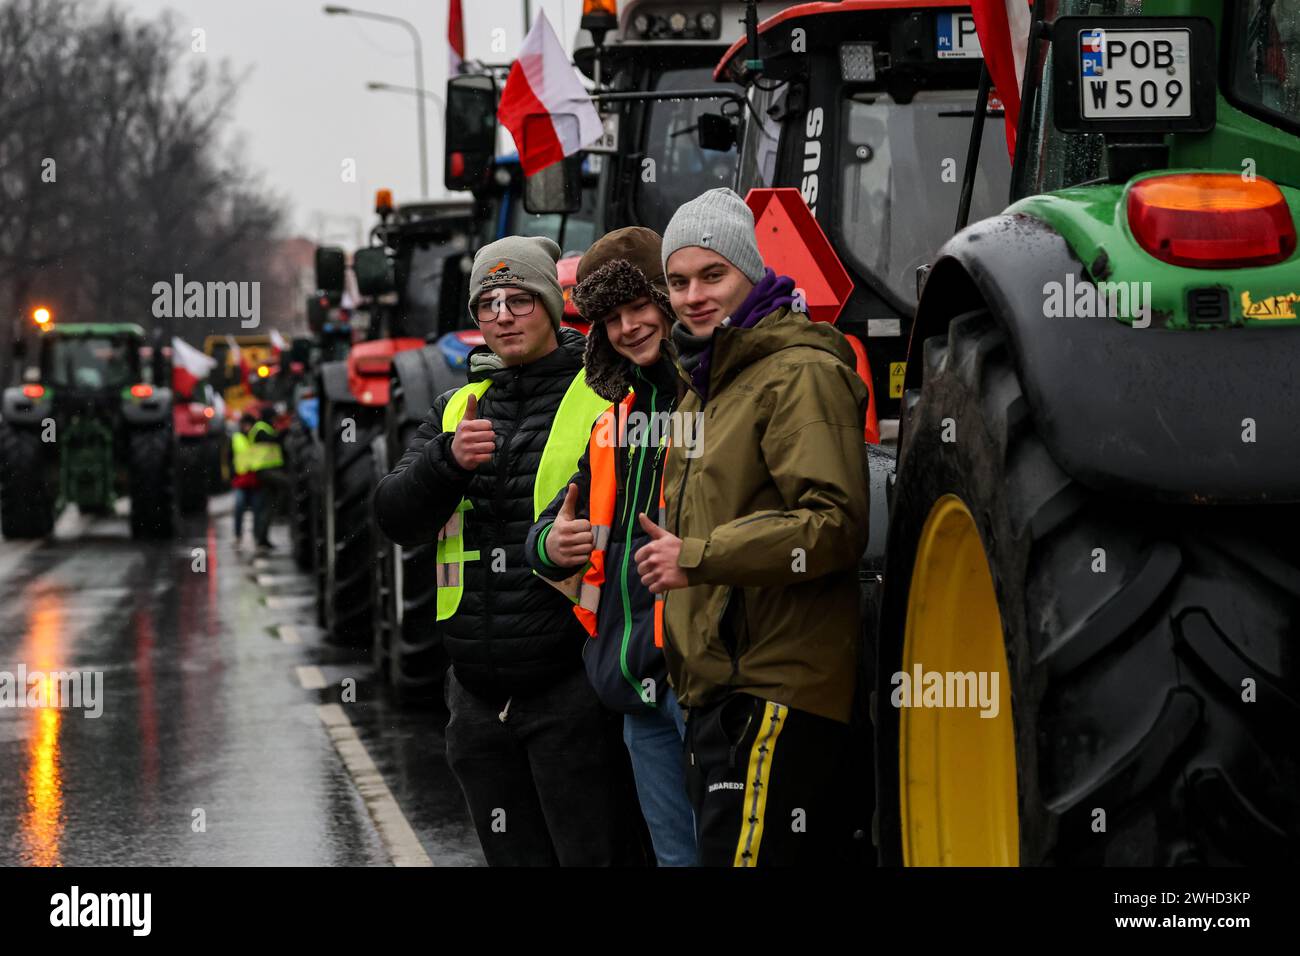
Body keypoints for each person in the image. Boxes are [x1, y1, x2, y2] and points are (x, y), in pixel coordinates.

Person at [373, 236, 632, 867]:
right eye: (488, 303)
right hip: (478, 699)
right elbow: (393, 516)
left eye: (520, 299)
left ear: (551, 305)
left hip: (570, 689)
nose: (503, 315)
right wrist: (445, 461)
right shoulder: (456, 408)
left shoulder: (601, 398)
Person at [634, 187, 872, 866]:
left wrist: (701, 557)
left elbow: (834, 524)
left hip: (777, 691)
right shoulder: (706, 385)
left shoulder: (797, 373)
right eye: (678, 282)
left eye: (714, 275)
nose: (693, 296)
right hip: (722, 694)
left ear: (753, 273)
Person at [525, 227, 697, 867]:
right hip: (633, 682)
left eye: (639, 307)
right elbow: (547, 533)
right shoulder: (615, 421)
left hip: (698, 674)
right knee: (676, 859)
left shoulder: (712, 402)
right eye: (610, 318)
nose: (628, 327)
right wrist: (553, 542)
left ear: (666, 301)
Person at [248, 406, 285, 552]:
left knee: (268, 507)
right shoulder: (260, 428)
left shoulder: (266, 427)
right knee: (289, 485)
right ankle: (262, 536)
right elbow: (272, 440)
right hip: (264, 471)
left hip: (269, 470)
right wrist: (283, 432)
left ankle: (263, 538)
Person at [230, 412, 261, 549]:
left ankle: (257, 536)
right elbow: (230, 458)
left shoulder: (257, 437)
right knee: (239, 507)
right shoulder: (237, 438)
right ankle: (238, 535)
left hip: (255, 481)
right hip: (241, 480)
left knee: (257, 509)